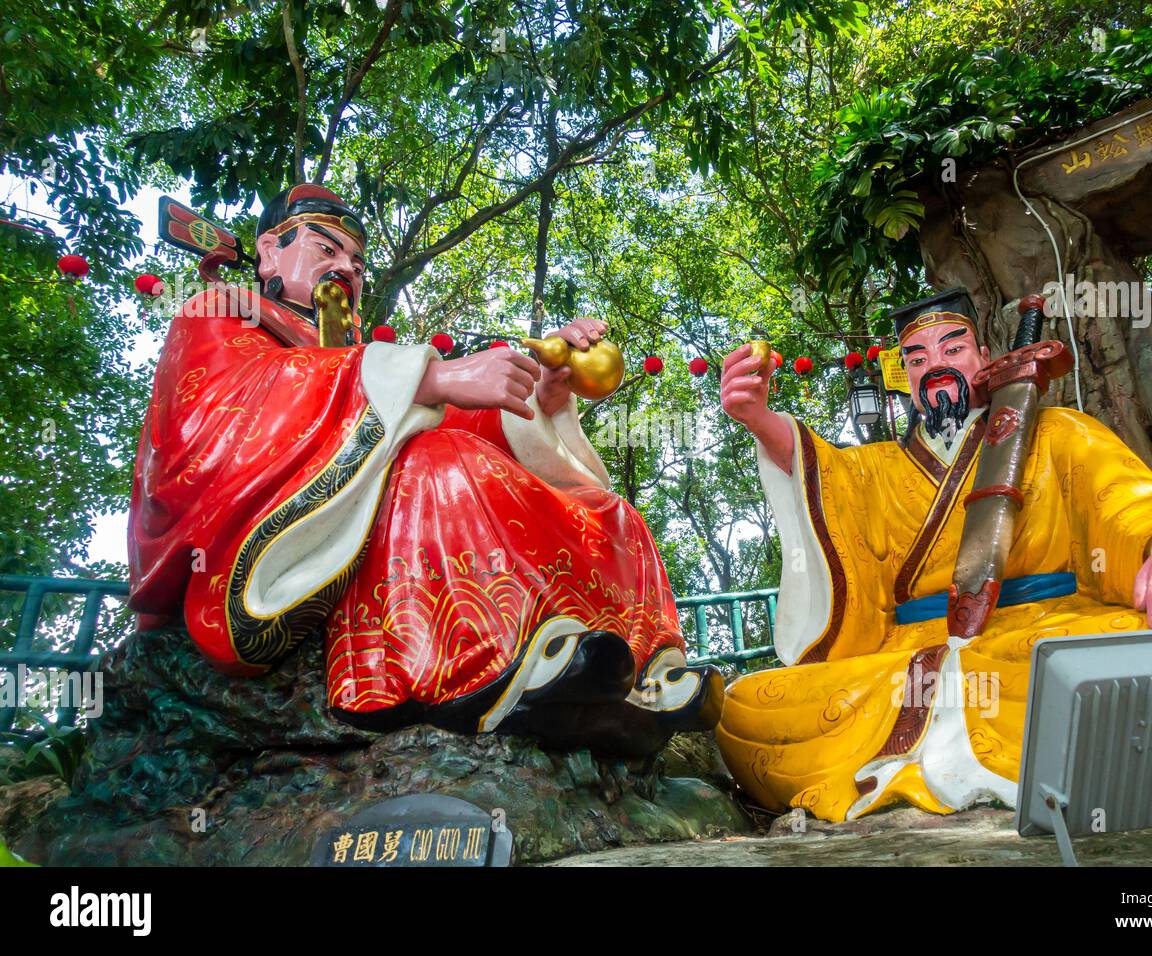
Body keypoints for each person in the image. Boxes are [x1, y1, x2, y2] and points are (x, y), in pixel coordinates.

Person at [127, 183, 720, 754]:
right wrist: (433, 377)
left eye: (358, 261)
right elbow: (225, 418)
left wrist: (541, 392)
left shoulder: (366, 357)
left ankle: (643, 666)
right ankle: (481, 658)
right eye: (326, 248)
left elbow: (441, 419)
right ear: (268, 252)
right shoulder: (223, 314)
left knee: (608, 512)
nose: (348, 270)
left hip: (385, 455)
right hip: (252, 540)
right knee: (433, 461)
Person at [715, 287, 1152, 821]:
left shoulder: (1059, 431)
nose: (934, 364)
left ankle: (955, 756)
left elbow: (1128, 502)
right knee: (744, 708)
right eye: (916, 359)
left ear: (986, 355)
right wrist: (761, 420)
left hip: (1050, 637)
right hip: (908, 660)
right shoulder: (877, 469)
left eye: (952, 347)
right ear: (904, 379)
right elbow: (818, 473)